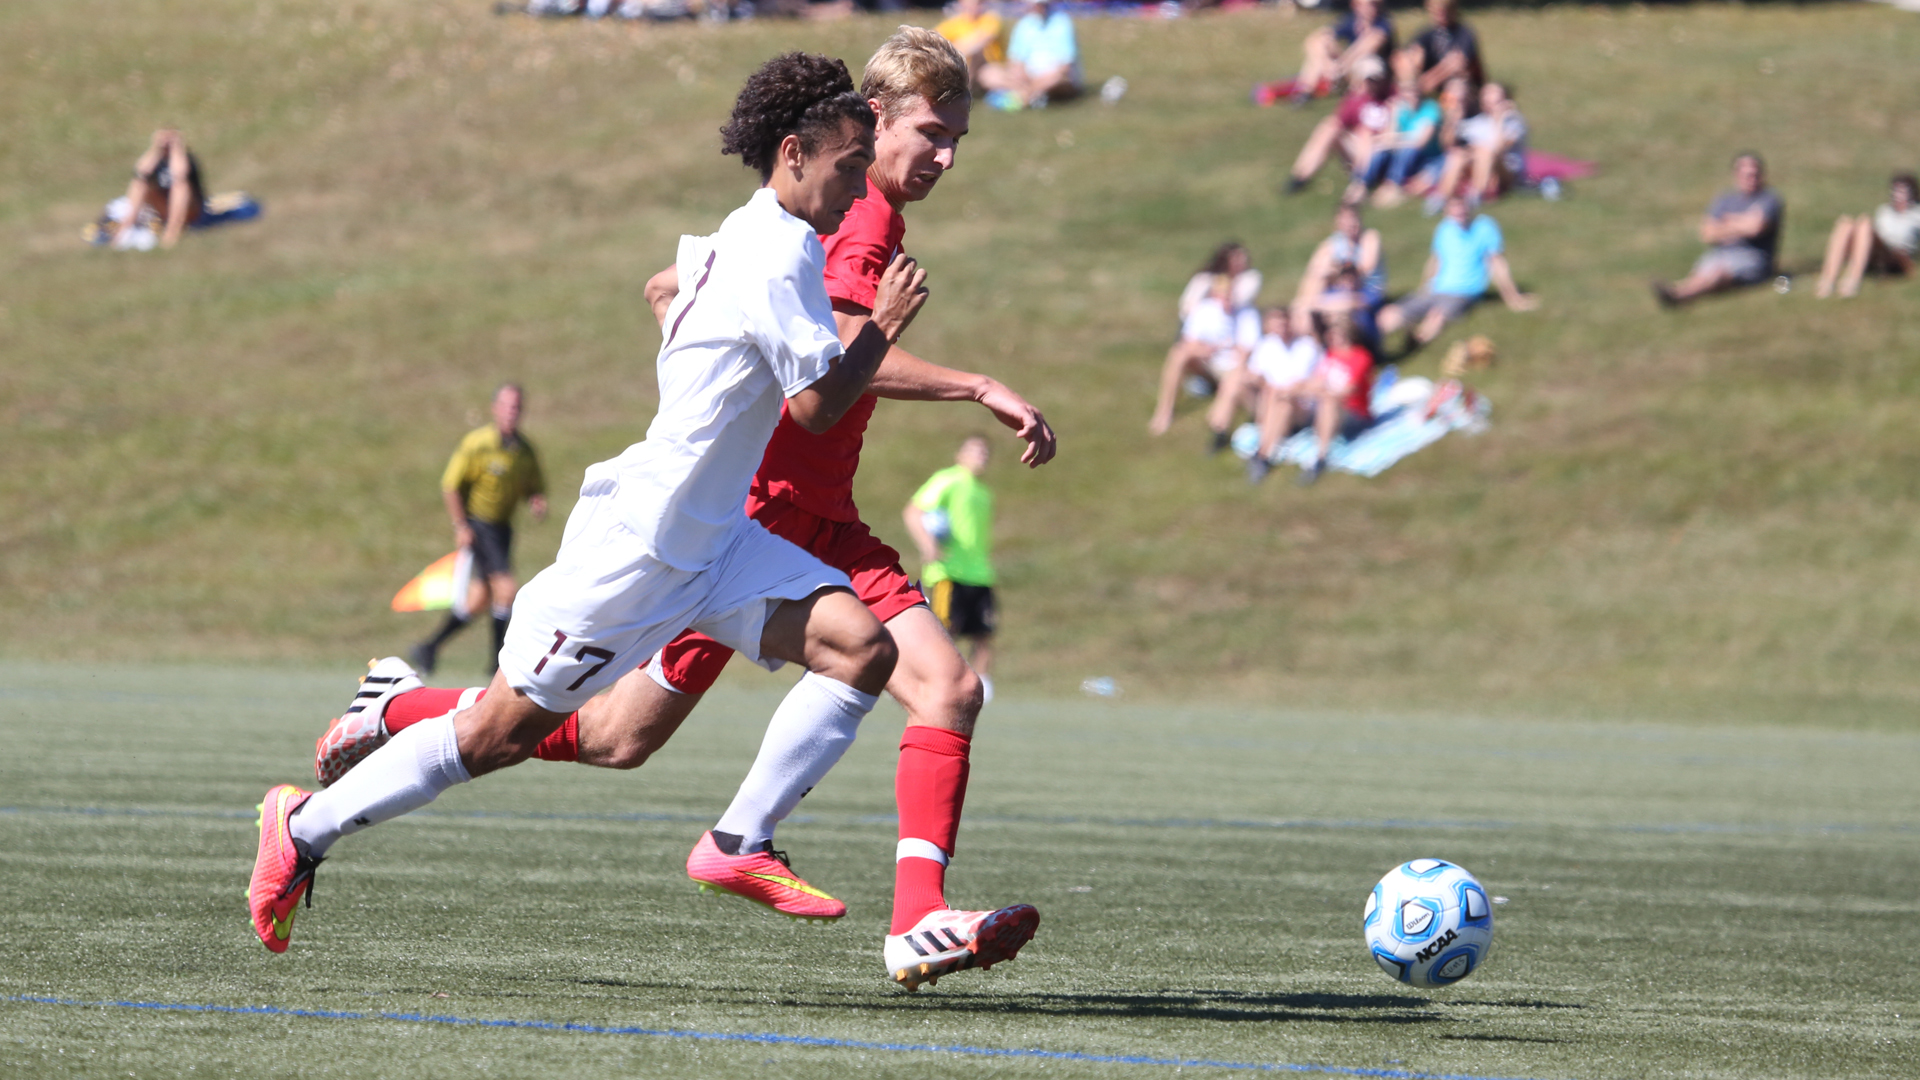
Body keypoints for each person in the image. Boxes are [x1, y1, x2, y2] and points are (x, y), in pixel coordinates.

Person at [309, 30, 1052, 991]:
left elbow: (692, 290)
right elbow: (828, 365)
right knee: (938, 687)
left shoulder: (829, 199)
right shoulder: (853, 213)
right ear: (872, 122)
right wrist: (975, 383)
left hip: (771, 519)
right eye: (930, 134)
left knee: (618, 736)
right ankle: (854, 893)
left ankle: (396, 709)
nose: (944, 157)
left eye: (957, 139)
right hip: (767, 520)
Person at [409, 385, 549, 676]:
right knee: (507, 590)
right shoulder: (478, 443)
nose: (512, 412)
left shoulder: (523, 450)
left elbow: (532, 484)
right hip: (480, 526)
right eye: (507, 406)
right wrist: (461, 525)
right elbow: (451, 485)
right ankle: (498, 664)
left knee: (480, 600)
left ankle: (429, 647)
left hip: (503, 529)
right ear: (494, 408)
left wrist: (535, 499)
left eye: (517, 407)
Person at [903, 436, 999, 702]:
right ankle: (920, 679)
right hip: (949, 572)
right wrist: (927, 544)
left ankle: (982, 690)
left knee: (984, 634)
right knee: (944, 632)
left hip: (980, 574)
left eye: (985, 452)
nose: (981, 456)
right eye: (974, 450)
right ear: (960, 454)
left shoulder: (983, 493)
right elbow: (914, 511)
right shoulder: (947, 480)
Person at [1377, 195, 1534, 350]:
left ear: (1470, 206)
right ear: (1447, 210)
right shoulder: (1444, 229)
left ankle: (1413, 344)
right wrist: (1424, 287)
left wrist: (1513, 298)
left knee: (1435, 318)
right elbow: (1436, 261)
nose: (1459, 210)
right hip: (1436, 288)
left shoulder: (1485, 227)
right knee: (1389, 313)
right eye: (1454, 206)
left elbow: (1497, 264)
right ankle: (1373, 348)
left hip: (1463, 292)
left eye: (1462, 205)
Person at [1248, 315, 1372, 486]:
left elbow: (1345, 392)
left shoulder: (1360, 357)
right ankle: (1263, 455)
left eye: (1336, 335)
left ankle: (1320, 459)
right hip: (1322, 407)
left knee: (1328, 402)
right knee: (1283, 398)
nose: (1332, 339)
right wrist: (1297, 389)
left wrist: (1317, 390)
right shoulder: (1330, 355)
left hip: (1352, 414)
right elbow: (1317, 381)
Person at [1652, 153, 1784, 307]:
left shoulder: (1769, 199)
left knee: (1718, 273)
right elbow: (1708, 233)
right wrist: (1742, 222)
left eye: (1755, 174)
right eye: (1747, 175)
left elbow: (1756, 228)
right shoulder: (1725, 200)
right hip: (1721, 253)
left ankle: (1680, 297)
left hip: (1753, 257)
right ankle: (1675, 292)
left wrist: (1727, 223)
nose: (1751, 179)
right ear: (1736, 175)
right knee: (1700, 275)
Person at [1148, 274, 1259, 436]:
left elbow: (1247, 350)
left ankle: (1222, 417)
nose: (1227, 298)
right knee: (1178, 355)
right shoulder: (1204, 310)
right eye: (1223, 293)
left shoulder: (1247, 313)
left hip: (1232, 368)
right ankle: (1164, 410)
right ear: (1215, 294)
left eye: (1230, 293)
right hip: (1209, 363)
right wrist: (1205, 350)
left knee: (1237, 377)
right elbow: (1188, 342)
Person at [1207, 306, 1321, 455]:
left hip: (1295, 404)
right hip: (1267, 397)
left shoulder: (1307, 346)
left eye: (1284, 323)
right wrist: (1254, 380)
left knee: (1278, 397)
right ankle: (1220, 430)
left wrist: (1273, 388)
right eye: (1276, 324)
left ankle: (1263, 453)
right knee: (1234, 380)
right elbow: (1255, 374)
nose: (1281, 328)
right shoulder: (1267, 344)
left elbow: (1303, 384)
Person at [1284, 57, 1392, 196]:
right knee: (1329, 127)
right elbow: (1337, 124)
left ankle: (1365, 179)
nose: (1374, 83)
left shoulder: (1390, 98)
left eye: (1377, 79)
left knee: (1364, 132)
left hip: (1382, 149)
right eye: (1369, 79)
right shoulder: (1356, 100)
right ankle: (1301, 176)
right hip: (1358, 151)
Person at [1815, 173, 1919, 299]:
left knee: (1865, 223)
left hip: (1898, 255)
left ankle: (1853, 280)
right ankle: (1828, 279)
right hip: (1878, 251)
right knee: (1845, 223)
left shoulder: (1915, 214)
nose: (1898, 196)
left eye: (1903, 192)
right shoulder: (1884, 211)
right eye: (1896, 191)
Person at [1430, 81, 1527, 212]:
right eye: (1486, 93)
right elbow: (1448, 145)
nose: (1488, 97)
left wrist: (1498, 120)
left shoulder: (1513, 121)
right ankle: (1441, 197)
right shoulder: (1478, 121)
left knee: (1484, 152)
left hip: (1508, 170)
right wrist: (1453, 118)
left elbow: (1499, 150)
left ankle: (1476, 195)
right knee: (1458, 156)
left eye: (1493, 93)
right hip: (1484, 167)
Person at [103, 129, 206, 250]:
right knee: (141, 183)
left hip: (190, 209)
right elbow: (140, 172)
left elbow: (180, 174)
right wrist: (156, 148)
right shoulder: (156, 161)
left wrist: (177, 148)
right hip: (163, 207)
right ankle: (126, 227)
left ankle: (172, 231)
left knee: (180, 186)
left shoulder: (186, 159)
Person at [1353, 77, 1443, 207]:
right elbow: (1388, 137)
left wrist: (1397, 140)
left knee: (1408, 150)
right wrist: (1395, 113)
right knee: (1381, 151)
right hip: (1403, 153)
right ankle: (1362, 185)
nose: (1413, 95)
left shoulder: (1431, 109)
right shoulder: (1401, 109)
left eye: (1415, 91)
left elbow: (1420, 143)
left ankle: (1392, 186)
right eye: (1408, 91)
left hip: (1425, 156)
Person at [979, 0, 1082, 111]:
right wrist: (1021, 76)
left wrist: (1035, 82)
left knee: (1056, 79)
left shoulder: (1062, 22)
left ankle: (1022, 96)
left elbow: (1065, 67)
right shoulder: (1024, 24)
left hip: (1052, 76)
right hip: (1028, 77)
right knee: (988, 73)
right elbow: (1015, 61)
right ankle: (1032, 95)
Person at [1290, 0, 1396, 106]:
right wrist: (1327, 62)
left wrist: (1343, 63)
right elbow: (1321, 36)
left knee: (1368, 57)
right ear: (1355, 6)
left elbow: (1372, 45)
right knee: (1322, 42)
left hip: (1373, 66)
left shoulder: (1383, 22)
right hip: (1348, 67)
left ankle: (1353, 92)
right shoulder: (1351, 20)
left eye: (1374, 5)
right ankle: (1306, 91)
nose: (1370, 9)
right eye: (1365, 5)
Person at [1294, 204, 1384, 320]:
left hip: (1366, 290)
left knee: (1324, 306)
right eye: (1345, 219)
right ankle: (1303, 307)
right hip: (1342, 289)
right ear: (1338, 222)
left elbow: (1366, 267)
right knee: (1316, 279)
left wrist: (1335, 270)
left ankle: (1309, 307)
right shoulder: (1332, 243)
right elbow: (1314, 270)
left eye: (1353, 218)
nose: (1350, 223)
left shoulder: (1369, 237)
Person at [1396, 0, 1483, 97]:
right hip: (1428, 83)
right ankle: (1407, 97)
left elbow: (1458, 64)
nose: (1441, 15)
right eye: (1437, 11)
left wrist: (1427, 82)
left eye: (1444, 11)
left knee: (1455, 78)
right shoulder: (1427, 34)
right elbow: (1411, 53)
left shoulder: (1463, 33)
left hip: (1460, 83)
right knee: (1406, 59)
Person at [1178, 241, 1263, 322]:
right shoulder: (1204, 279)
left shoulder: (1251, 277)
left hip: (1237, 318)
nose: (1241, 261)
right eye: (1236, 257)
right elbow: (1187, 305)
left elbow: (1240, 300)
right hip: (1203, 319)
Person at [936, 0, 1004, 91]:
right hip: (962, 63)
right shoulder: (956, 22)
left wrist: (956, 49)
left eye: (980, 3)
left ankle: (964, 86)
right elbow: (935, 36)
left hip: (987, 64)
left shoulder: (990, 19)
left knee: (977, 53)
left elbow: (982, 40)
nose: (977, 6)